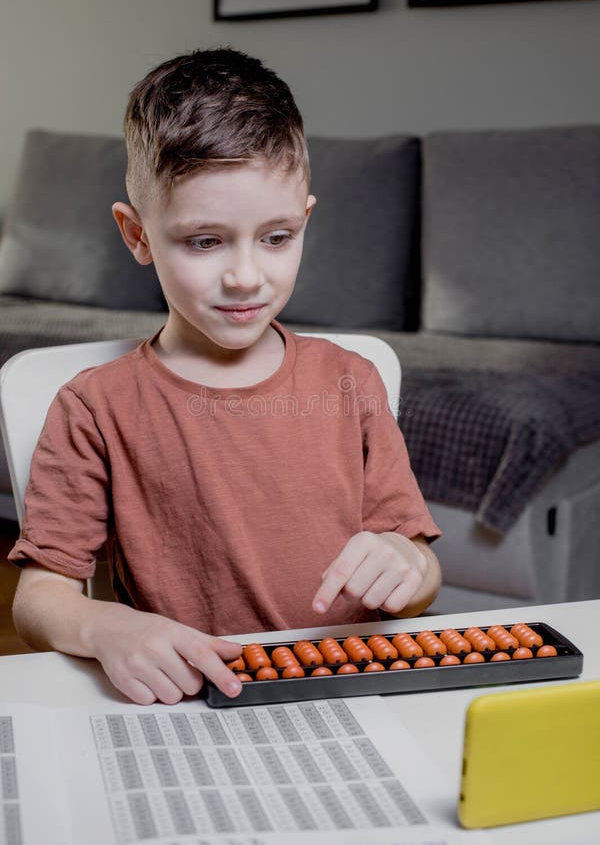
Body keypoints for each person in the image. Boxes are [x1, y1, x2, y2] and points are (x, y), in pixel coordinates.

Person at [9, 48, 442, 705]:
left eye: (276, 237)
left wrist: (410, 568)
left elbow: (420, 570)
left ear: (305, 220)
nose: (246, 275)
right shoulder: (95, 406)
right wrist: (106, 627)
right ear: (137, 234)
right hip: (192, 707)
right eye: (205, 241)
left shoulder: (351, 381)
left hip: (348, 698)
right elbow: (39, 598)